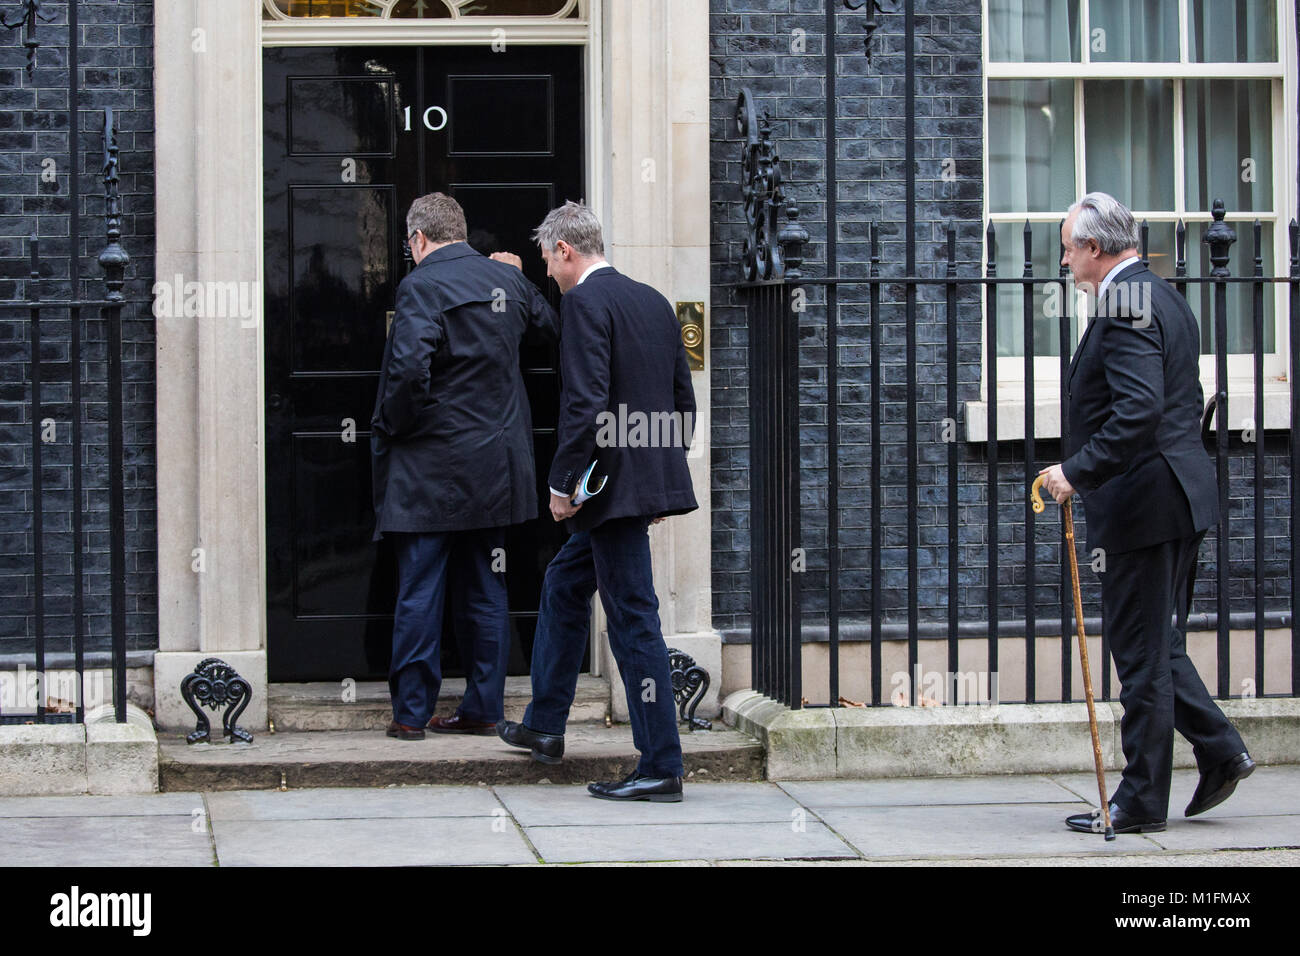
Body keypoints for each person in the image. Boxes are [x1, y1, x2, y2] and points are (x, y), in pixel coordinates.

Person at [1039, 192, 1254, 834]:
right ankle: (1221, 751)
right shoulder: (1162, 295)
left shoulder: (1125, 303)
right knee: (1158, 644)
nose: (1065, 262)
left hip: (1146, 505)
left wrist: (1076, 471)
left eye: (1068, 249)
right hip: (1179, 496)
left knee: (1140, 655)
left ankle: (1139, 801)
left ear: (1094, 248)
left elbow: (1138, 412)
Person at [495, 201, 698, 801]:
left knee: (633, 620)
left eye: (546, 260)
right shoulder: (654, 301)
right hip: (636, 485)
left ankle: (661, 764)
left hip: (607, 492)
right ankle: (544, 724)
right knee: (564, 585)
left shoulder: (584, 302)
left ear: (565, 250)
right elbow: (682, 402)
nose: (547, 273)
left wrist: (563, 486)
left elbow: (585, 403)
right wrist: (658, 480)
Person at [371, 192, 556, 741]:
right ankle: (483, 708)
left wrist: (395, 428)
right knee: (485, 588)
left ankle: (411, 715)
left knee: (420, 590)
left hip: (430, 467)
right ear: (462, 232)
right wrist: (520, 280)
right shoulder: (508, 281)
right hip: (495, 467)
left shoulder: (421, 285)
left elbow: (408, 373)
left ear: (418, 239)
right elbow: (551, 332)